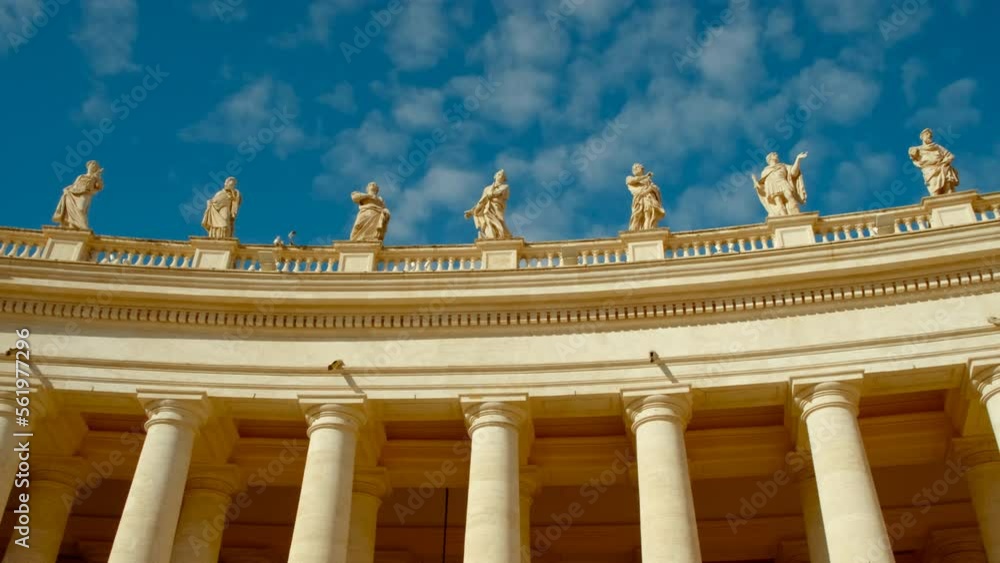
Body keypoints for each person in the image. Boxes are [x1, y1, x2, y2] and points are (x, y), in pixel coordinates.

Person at [751, 151, 808, 216]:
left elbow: (793, 173)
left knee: (789, 196)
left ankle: (795, 214)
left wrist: (798, 159)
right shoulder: (765, 171)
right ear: (770, 158)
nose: (777, 155)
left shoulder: (783, 166)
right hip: (771, 185)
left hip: (782, 182)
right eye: (774, 154)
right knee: (778, 201)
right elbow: (762, 186)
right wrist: (755, 181)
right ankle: (783, 217)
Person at [52, 160, 104, 230]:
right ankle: (71, 224)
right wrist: (67, 189)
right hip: (74, 193)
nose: (92, 166)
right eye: (91, 165)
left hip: (86, 193)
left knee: (81, 209)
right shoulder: (81, 176)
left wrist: (98, 177)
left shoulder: (95, 177)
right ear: (88, 167)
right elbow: (74, 185)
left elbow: (99, 186)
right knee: (72, 208)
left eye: (94, 165)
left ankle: (81, 225)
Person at [909, 128, 960, 195]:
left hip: (942, 167)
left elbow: (951, 156)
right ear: (922, 137)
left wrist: (945, 161)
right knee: (935, 193)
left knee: (948, 191)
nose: (929, 136)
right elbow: (913, 156)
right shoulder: (917, 148)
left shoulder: (937, 147)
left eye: (930, 135)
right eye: (927, 134)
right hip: (929, 171)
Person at [465, 169, 512, 240]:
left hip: (497, 207)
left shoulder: (505, 187)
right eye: (499, 175)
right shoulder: (487, 189)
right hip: (487, 208)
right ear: (495, 176)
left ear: (503, 179)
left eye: (502, 176)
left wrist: (489, 195)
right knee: (488, 221)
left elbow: (496, 193)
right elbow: (481, 201)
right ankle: (491, 235)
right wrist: (472, 211)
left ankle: (504, 235)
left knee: (500, 221)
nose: (500, 177)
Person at [626, 163, 666, 231]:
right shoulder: (629, 178)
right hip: (638, 200)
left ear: (641, 170)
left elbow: (656, 189)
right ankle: (634, 231)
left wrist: (652, 189)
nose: (634, 169)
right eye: (634, 168)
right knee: (637, 216)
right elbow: (631, 181)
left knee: (648, 215)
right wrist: (645, 176)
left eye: (637, 168)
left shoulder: (648, 180)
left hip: (648, 198)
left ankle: (648, 229)